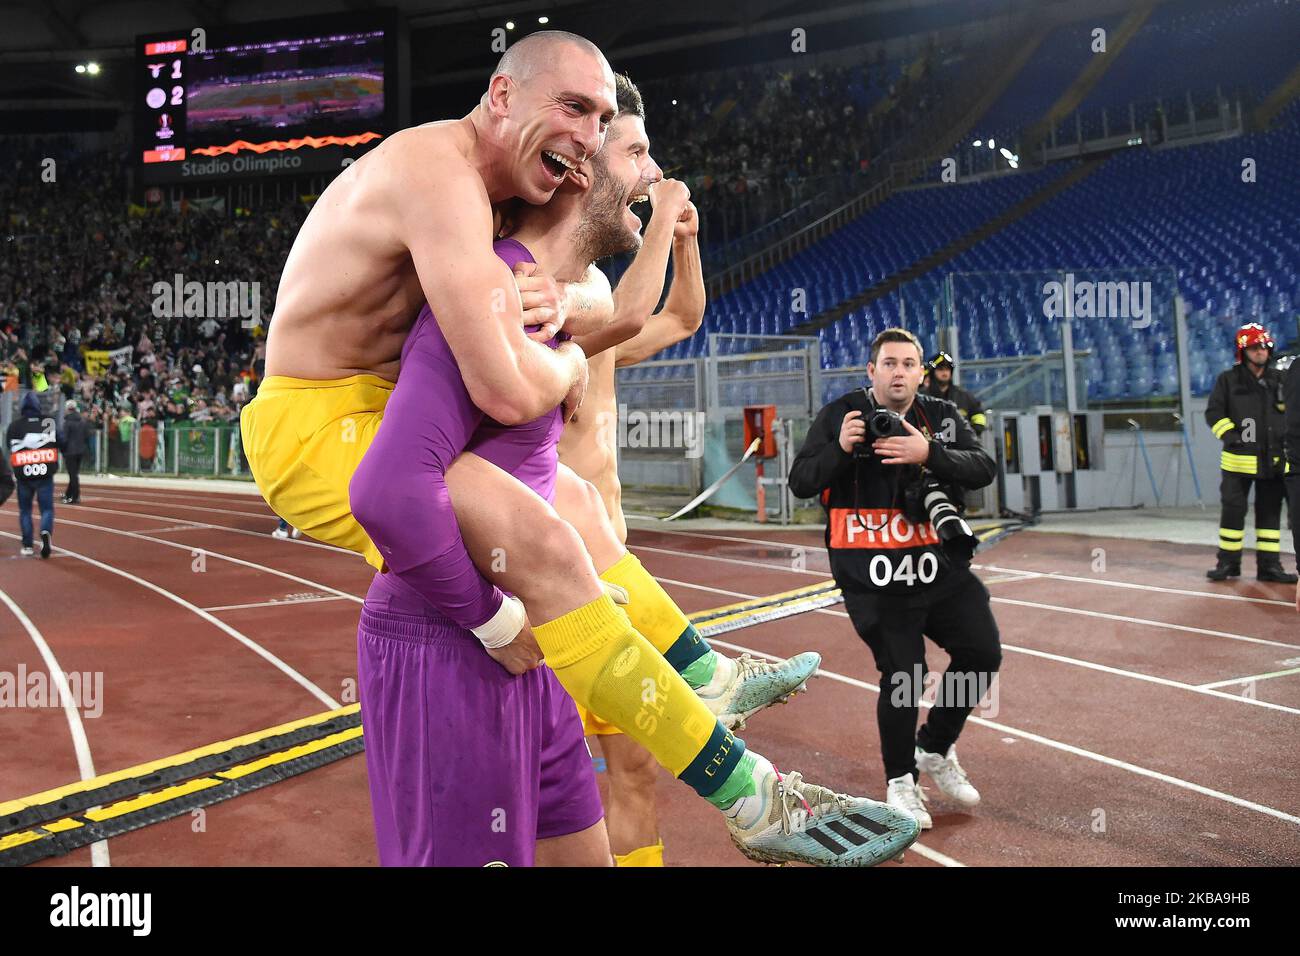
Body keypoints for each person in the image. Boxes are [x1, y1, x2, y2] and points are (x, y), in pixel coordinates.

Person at [247, 43, 910, 865]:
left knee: (577, 509)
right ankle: (750, 794)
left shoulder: (499, 206)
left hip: (387, 413)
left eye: (604, 122)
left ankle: (701, 679)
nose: (591, 138)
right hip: (313, 419)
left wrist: (561, 302)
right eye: (576, 111)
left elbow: (601, 300)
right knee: (549, 545)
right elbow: (503, 386)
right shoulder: (436, 174)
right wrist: (563, 357)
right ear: (500, 94)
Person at [788, 327, 1002, 830]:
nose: (899, 372)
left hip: (937, 566)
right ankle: (900, 781)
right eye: (889, 363)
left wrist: (929, 454)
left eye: (909, 363)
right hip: (873, 573)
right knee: (905, 674)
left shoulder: (943, 417)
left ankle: (935, 747)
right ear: (872, 371)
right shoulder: (843, 413)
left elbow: (983, 467)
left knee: (981, 652)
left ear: (921, 372)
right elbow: (801, 481)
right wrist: (840, 448)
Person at [1204, 323, 1296, 584]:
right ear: (1243, 352)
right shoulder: (1228, 380)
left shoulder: (1279, 380)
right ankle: (1227, 563)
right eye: (1255, 348)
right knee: (1233, 512)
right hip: (1238, 462)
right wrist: (1231, 436)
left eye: (1264, 347)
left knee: (1269, 516)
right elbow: (1214, 413)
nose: (1261, 352)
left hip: (1273, 462)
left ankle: (1269, 567)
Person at [6, 391, 58, 558]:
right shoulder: (48, 422)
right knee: (47, 509)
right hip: (45, 473)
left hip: (24, 475)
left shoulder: (15, 426)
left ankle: (28, 545)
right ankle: (45, 531)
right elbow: (60, 440)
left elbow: (9, 446)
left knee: (25, 510)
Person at [921, 351, 987, 436]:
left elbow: (978, 414)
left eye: (947, 369)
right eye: (940, 369)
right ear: (933, 372)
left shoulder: (964, 396)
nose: (945, 373)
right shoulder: (922, 396)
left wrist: (974, 431)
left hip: (960, 446)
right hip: (930, 445)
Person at [60, 400, 90, 503]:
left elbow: (64, 439)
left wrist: (62, 450)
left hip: (70, 451)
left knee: (73, 475)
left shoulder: (67, 423)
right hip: (80, 451)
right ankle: (68, 493)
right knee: (74, 474)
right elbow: (86, 436)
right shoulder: (82, 421)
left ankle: (75, 496)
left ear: (68, 409)